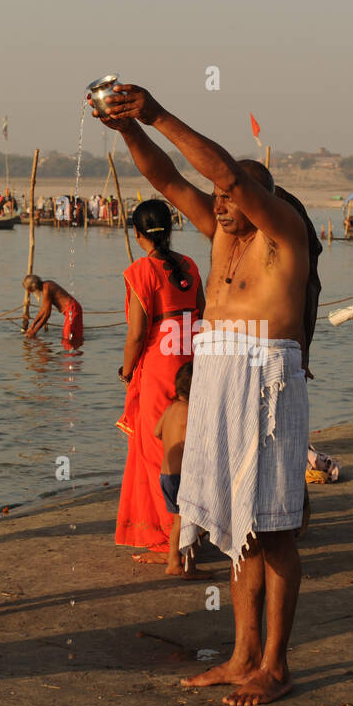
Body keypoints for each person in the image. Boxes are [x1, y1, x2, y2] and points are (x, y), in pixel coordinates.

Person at [100, 82, 309, 706]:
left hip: (265, 383)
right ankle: (242, 655)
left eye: (228, 194)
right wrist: (127, 130)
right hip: (219, 381)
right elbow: (165, 177)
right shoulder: (222, 234)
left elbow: (226, 173)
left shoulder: (284, 234)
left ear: (257, 197)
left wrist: (156, 111)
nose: (217, 202)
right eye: (215, 197)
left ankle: (275, 665)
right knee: (239, 530)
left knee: (274, 532)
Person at [114, 201, 204, 556]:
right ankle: (192, 532)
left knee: (157, 452)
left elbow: (137, 334)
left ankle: (167, 537)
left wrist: (125, 371)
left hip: (158, 368)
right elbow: (203, 315)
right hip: (191, 365)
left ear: (137, 235)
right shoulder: (191, 266)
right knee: (191, 448)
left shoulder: (141, 271)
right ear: (171, 228)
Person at [155, 362, 212, 579]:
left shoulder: (170, 409)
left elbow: (156, 431)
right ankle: (189, 567)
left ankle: (173, 561)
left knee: (179, 520)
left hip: (166, 476)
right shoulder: (191, 413)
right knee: (192, 520)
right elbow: (192, 441)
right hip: (182, 477)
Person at [23, 275, 84, 349]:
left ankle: (71, 358)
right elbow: (43, 309)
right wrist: (32, 325)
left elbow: (47, 314)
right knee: (74, 338)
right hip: (74, 309)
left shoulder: (47, 288)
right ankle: (75, 357)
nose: (30, 292)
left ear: (33, 286)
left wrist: (34, 331)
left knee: (67, 339)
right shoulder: (46, 285)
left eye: (29, 290)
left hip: (72, 310)